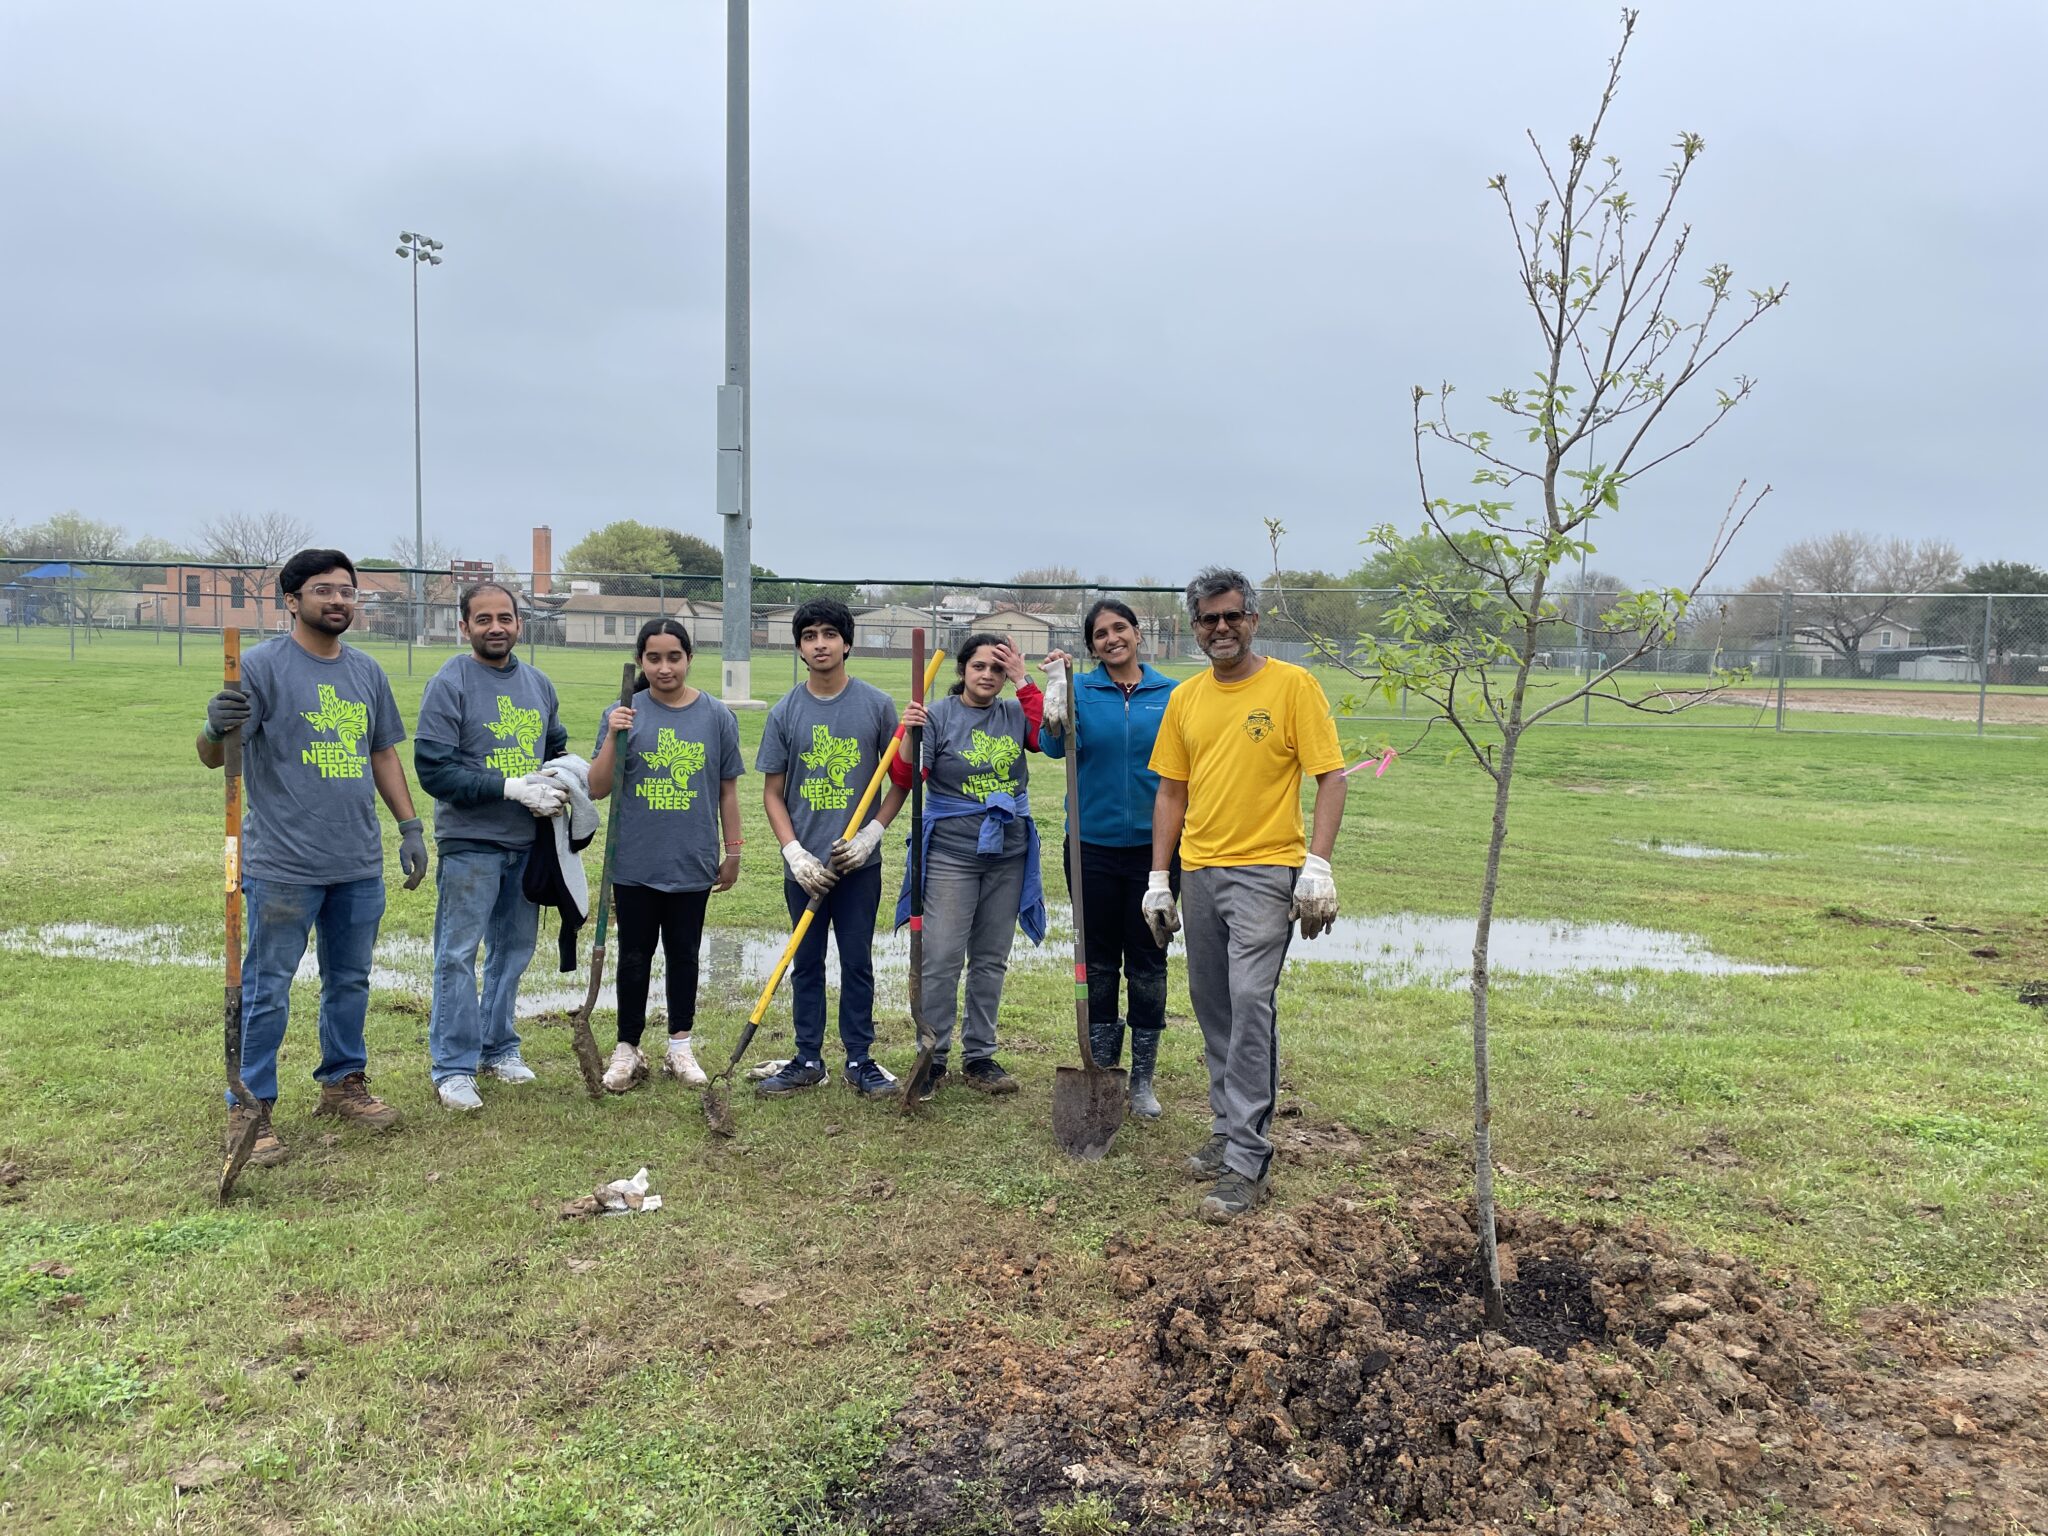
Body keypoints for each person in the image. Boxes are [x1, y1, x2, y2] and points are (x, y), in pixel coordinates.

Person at [196, 547, 426, 1165]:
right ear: (291, 600)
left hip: (356, 860)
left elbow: (382, 753)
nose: (339, 600)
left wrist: (409, 825)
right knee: (268, 987)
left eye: (347, 591)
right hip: (283, 864)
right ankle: (250, 1106)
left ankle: (343, 1083)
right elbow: (215, 757)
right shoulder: (262, 667)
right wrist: (215, 728)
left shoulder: (367, 673)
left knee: (349, 980)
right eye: (324, 590)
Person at [1145, 567, 1345, 1222]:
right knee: (1214, 1007)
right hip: (1200, 872)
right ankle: (1228, 1128)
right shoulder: (1186, 699)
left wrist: (1317, 865)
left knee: (1251, 1003)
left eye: (1232, 615)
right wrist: (1159, 879)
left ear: (1253, 620)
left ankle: (1247, 1164)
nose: (1221, 627)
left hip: (1267, 871)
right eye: (1208, 618)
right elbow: (1171, 791)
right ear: (1194, 627)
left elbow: (1331, 777)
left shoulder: (1292, 686)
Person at [414, 581, 569, 1112]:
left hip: (527, 844)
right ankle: (453, 1067)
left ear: (519, 623)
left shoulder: (539, 684)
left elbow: (556, 747)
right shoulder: (450, 681)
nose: (496, 627)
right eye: (484, 619)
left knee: (513, 950)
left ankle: (498, 1047)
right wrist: (508, 787)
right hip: (470, 843)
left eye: (505, 617)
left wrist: (557, 780)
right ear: (465, 626)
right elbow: (433, 769)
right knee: (457, 955)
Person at [754, 598, 910, 1100]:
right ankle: (806, 1058)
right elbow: (772, 793)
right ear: (799, 647)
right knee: (807, 963)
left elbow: (900, 781)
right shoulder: (785, 711)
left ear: (847, 642)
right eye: (809, 636)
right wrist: (794, 854)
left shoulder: (877, 705)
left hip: (857, 867)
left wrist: (872, 835)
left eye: (828, 634)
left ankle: (860, 1058)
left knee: (857, 959)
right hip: (808, 870)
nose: (819, 644)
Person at [588, 619, 743, 1092]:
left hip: (690, 860)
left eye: (673, 657)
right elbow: (596, 787)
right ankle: (626, 1048)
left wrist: (733, 848)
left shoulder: (716, 716)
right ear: (641, 662)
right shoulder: (623, 712)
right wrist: (615, 735)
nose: (664, 667)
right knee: (633, 956)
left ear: (689, 658)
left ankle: (680, 1046)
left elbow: (727, 791)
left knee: (684, 956)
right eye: (653, 658)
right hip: (634, 860)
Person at [1041, 597, 1181, 1119]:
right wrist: (1057, 695)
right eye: (1100, 634)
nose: (1111, 638)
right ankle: (1101, 1069)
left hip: (1156, 850)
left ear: (1138, 633)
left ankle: (1142, 1080)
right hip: (1089, 847)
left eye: (1119, 628)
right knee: (1097, 961)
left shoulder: (1171, 694)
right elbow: (1053, 749)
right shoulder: (1079, 689)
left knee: (1147, 961)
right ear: (1091, 644)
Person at [892, 634, 1047, 1098]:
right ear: (963, 670)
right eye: (979, 666)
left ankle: (980, 1054)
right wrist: (908, 734)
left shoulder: (1014, 711)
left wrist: (1026, 680)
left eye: (997, 669)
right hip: (952, 854)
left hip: (1009, 850)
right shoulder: (938, 714)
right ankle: (932, 1056)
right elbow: (906, 775)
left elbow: (1049, 738)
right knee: (941, 956)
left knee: (991, 958)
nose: (987, 675)